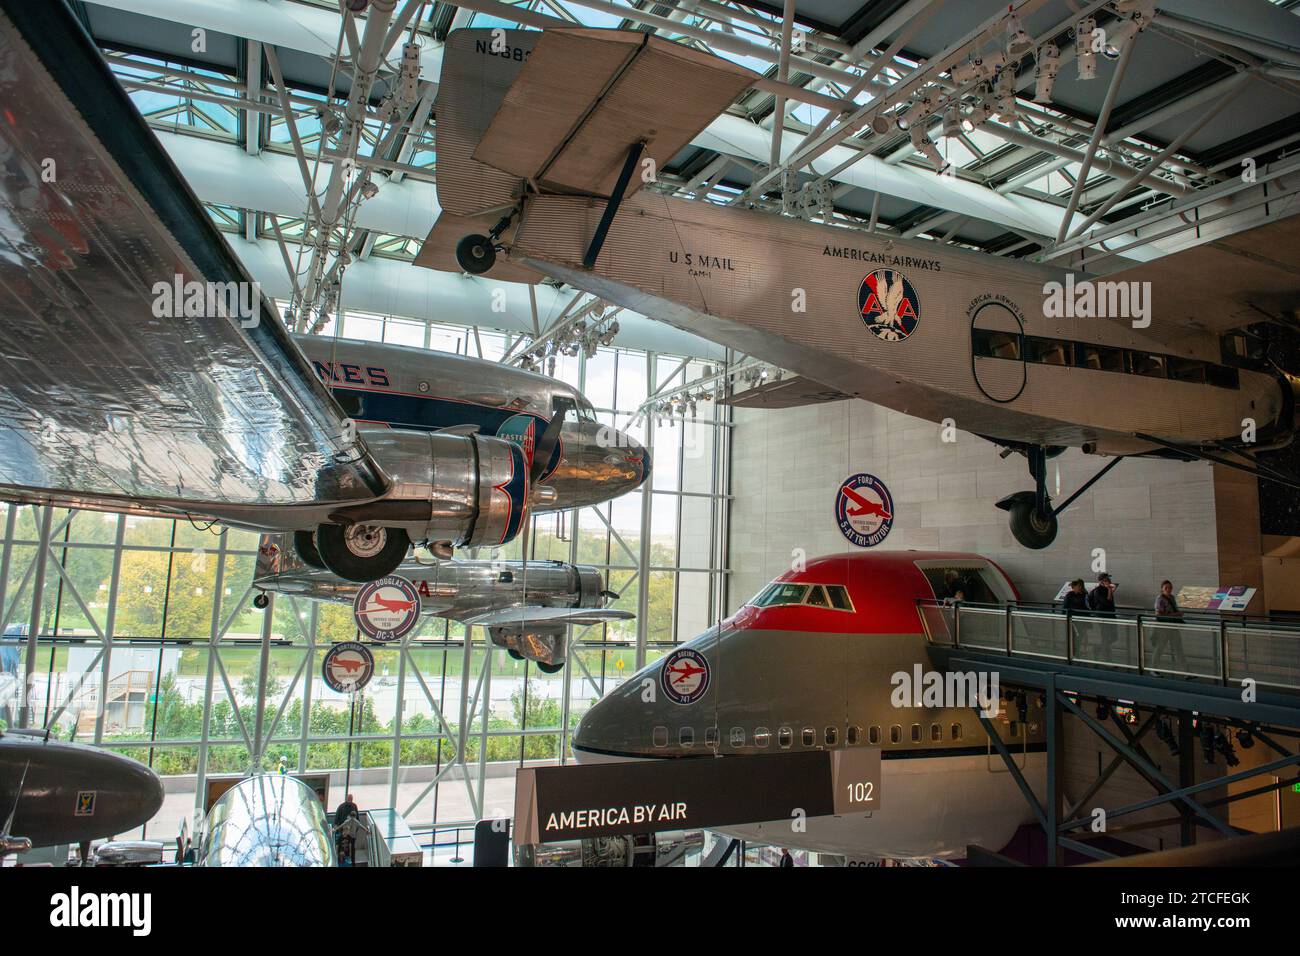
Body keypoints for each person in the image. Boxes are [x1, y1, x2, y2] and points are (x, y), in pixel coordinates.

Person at [1150, 580, 1187, 674]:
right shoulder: (1160, 599)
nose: (1168, 589)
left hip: (1172, 626)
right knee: (1159, 648)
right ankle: (1153, 669)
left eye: (1170, 588)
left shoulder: (1172, 597)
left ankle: (1185, 671)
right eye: (1166, 588)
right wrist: (1176, 614)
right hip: (1163, 628)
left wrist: (1176, 615)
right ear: (1162, 589)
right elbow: (1159, 615)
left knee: (1178, 649)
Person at [1087, 573, 1118, 661]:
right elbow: (1107, 602)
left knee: (1114, 637)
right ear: (1102, 581)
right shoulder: (1098, 591)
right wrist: (1109, 589)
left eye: (1109, 579)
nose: (1109, 581)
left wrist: (1111, 590)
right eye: (1107, 580)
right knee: (1105, 637)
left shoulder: (1106, 589)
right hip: (1103, 617)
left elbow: (1110, 601)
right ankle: (1107, 658)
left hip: (1111, 615)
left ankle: (1098, 648)